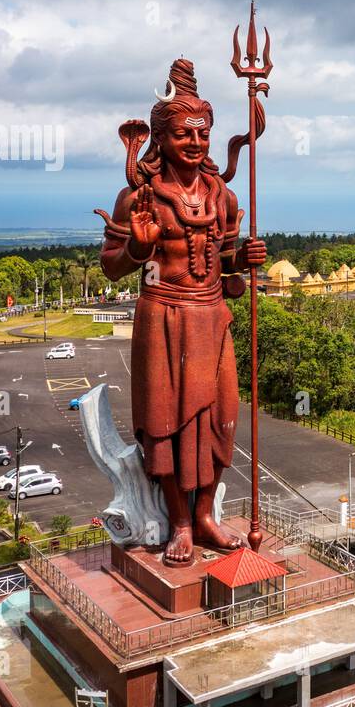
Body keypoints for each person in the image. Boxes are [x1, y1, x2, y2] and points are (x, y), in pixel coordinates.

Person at [96, 57, 266, 566]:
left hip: (212, 317)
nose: (194, 144)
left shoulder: (224, 196)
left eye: (203, 135)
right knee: (165, 427)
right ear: (160, 139)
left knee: (220, 419)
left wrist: (245, 258)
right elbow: (111, 267)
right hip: (162, 319)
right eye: (183, 135)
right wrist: (137, 250)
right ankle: (182, 522)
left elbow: (226, 263)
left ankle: (208, 514)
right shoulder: (139, 197)